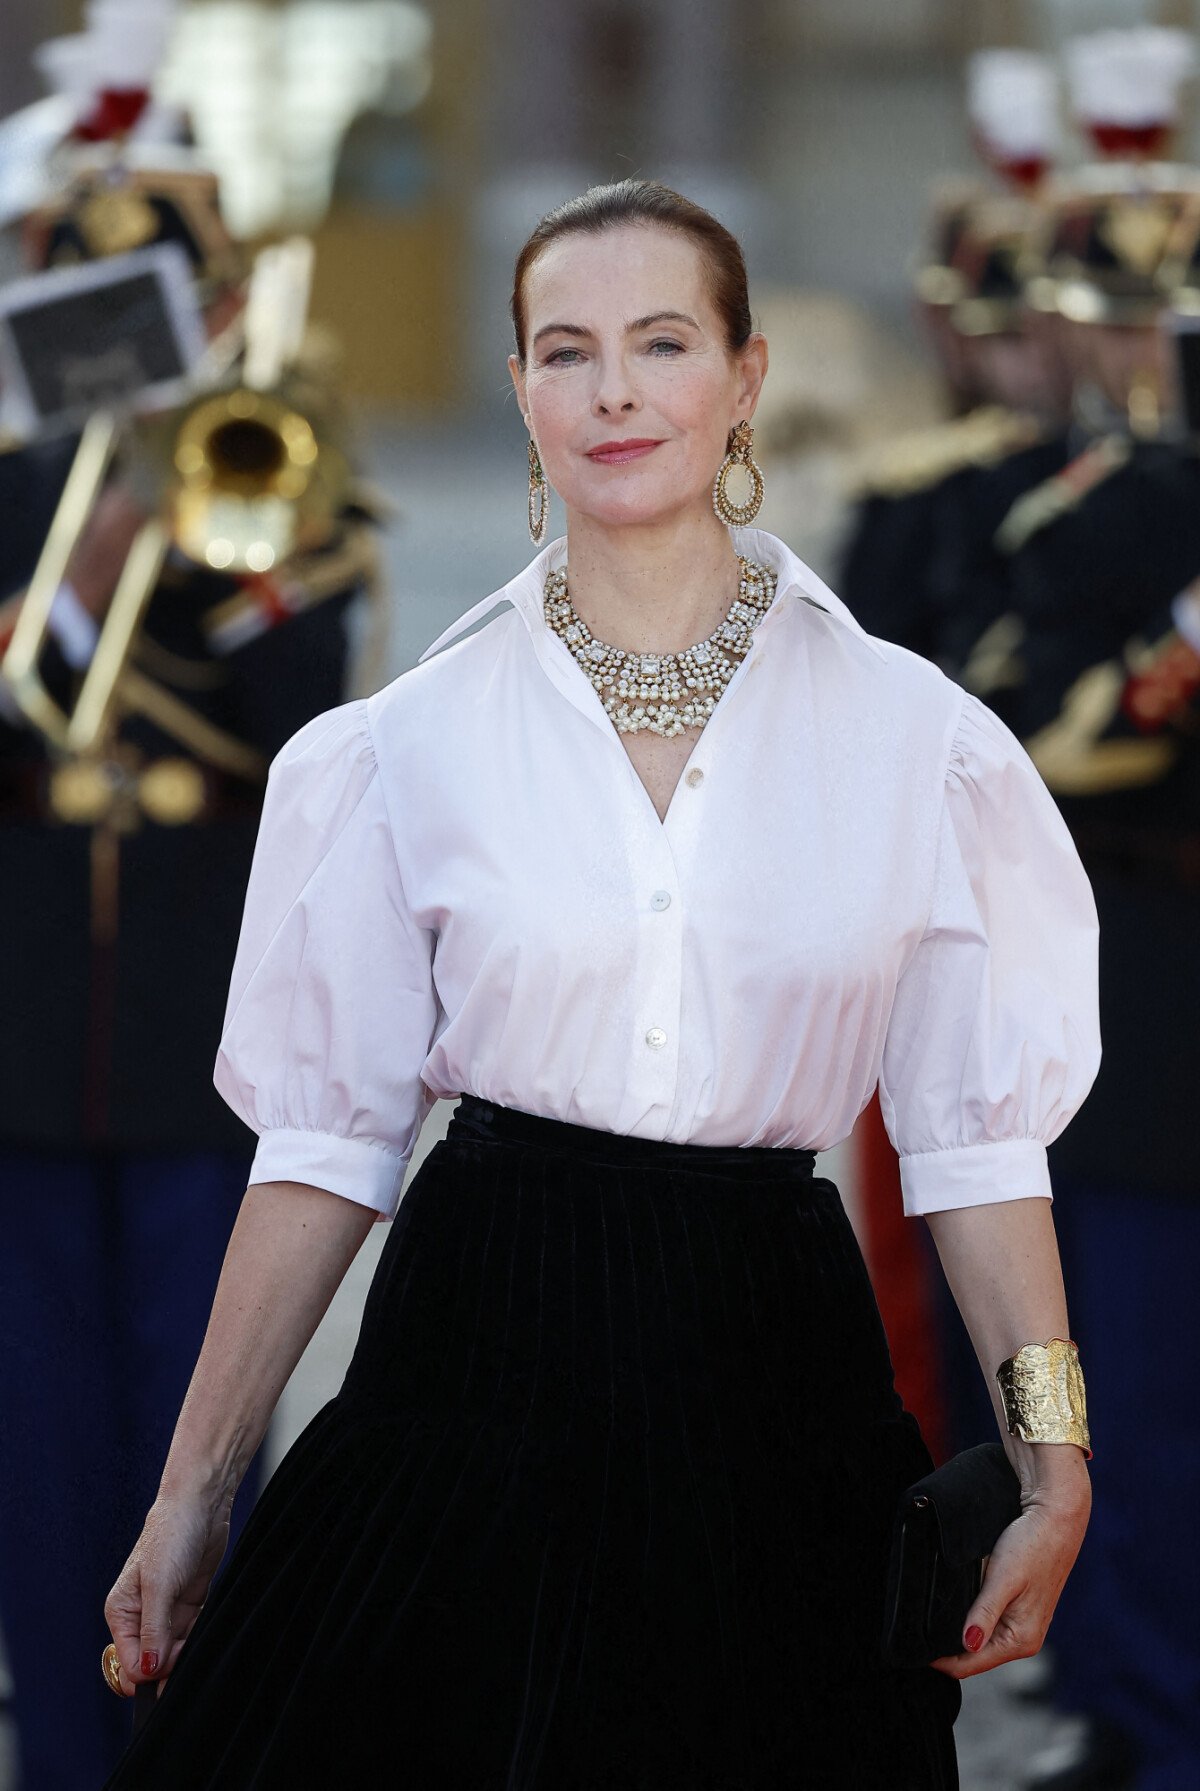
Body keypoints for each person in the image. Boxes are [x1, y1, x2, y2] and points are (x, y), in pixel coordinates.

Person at [99, 180, 1098, 1791]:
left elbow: (978, 1149)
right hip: (470, 1373)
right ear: (520, 391)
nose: (614, 391)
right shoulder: (398, 747)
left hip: (778, 1375)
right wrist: (194, 1490)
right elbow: (326, 1149)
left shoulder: (923, 742)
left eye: (661, 342)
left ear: (746, 376)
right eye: (567, 351)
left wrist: (1053, 1461)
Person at [0, 148, 378, 1790]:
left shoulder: (289, 479)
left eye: (151, 315)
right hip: (20, 1041)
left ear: (216, 312)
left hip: (204, 1036)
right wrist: (72, 594)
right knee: (36, 1442)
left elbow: (312, 721)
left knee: (201, 1435)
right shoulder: (14, 497)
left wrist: (211, 539)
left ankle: (204, 1758)